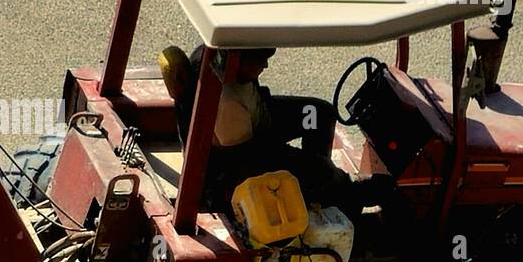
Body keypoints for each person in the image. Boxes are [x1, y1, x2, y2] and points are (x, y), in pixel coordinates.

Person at [161, 45, 388, 216]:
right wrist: (302, 165)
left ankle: (321, 182)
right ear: (239, 59)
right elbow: (251, 160)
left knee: (319, 113)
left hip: (259, 118)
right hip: (238, 163)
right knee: (317, 171)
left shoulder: (219, 56)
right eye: (261, 60)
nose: (266, 66)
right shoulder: (227, 106)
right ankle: (330, 195)